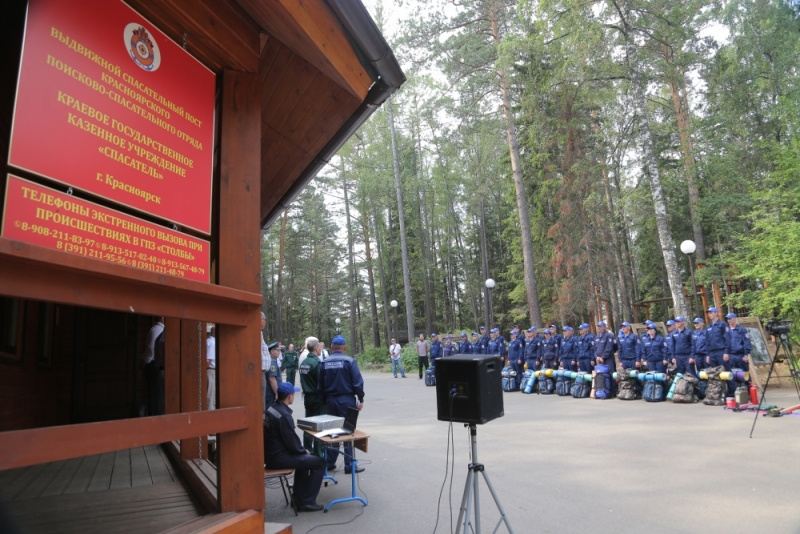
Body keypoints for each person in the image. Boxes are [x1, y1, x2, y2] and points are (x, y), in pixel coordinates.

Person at [264, 382, 326, 512]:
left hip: (270, 454)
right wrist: (303, 450)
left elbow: (289, 440)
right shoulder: (284, 415)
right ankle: (307, 502)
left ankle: (298, 499)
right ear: (289, 396)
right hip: (278, 458)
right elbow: (291, 440)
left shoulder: (272, 408)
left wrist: (301, 451)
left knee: (304, 460)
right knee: (319, 463)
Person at [318, 335, 365, 474]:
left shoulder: (324, 363)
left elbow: (320, 386)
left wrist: (324, 402)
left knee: (332, 431)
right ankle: (349, 464)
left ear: (332, 347)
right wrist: (360, 399)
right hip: (347, 400)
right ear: (344, 347)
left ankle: (330, 462)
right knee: (348, 431)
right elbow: (358, 382)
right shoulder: (349, 361)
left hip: (331, 401)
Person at [299, 336, 324, 457]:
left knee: (308, 424)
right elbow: (321, 382)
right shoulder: (316, 363)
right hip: (316, 397)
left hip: (307, 397)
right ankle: (319, 453)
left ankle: (307, 449)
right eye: (319, 346)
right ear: (315, 348)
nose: (321, 348)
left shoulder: (304, 362)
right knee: (318, 425)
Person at [143, 316, 165, 416]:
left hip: (151, 363)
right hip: (154, 364)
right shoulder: (159, 330)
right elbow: (153, 350)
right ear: (163, 318)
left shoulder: (154, 329)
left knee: (155, 394)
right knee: (157, 395)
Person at [726, 312, 751, 396]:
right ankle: (733, 394)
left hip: (740, 356)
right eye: (728, 319)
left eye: (730, 318)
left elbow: (746, 343)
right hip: (730, 356)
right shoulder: (726, 330)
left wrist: (745, 355)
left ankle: (750, 393)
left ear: (735, 318)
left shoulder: (742, 330)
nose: (729, 320)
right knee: (731, 375)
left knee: (745, 374)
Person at [264, 341, 283, 412]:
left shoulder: (272, 360)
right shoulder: (272, 362)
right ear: (271, 351)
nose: (279, 352)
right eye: (277, 350)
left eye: (279, 350)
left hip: (269, 391)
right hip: (271, 392)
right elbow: (272, 379)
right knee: (270, 411)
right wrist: (276, 393)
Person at [206, 325, 216, 410]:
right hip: (211, 371)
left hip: (209, 371)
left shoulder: (208, 341)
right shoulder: (213, 343)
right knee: (211, 395)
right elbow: (208, 360)